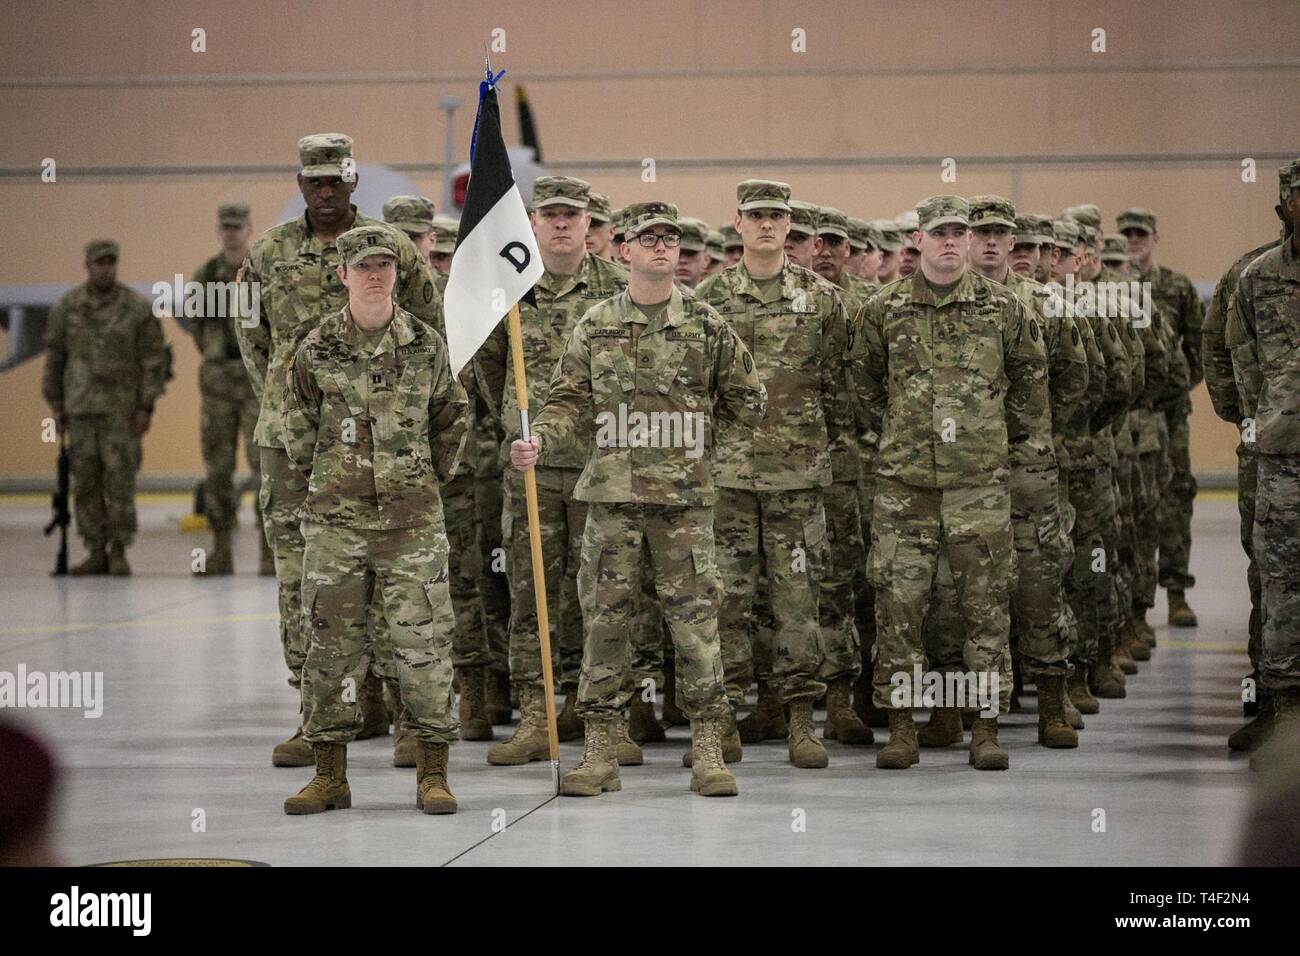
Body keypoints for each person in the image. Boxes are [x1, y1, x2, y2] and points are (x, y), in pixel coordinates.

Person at [512, 201, 767, 797]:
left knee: (696, 623)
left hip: (684, 504)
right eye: (646, 239)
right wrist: (537, 439)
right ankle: (600, 747)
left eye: (669, 240)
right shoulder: (596, 323)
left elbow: (748, 400)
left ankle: (708, 745)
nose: (659, 248)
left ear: (678, 253)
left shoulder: (705, 324)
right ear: (623, 249)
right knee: (605, 621)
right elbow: (565, 400)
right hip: (614, 499)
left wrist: (702, 455)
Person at [237, 133, 445, 767]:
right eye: (313, 181)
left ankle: (407, 715)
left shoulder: (390, 251)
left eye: (335, 180)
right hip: (295, 446)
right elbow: (253, 340)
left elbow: (427, 333)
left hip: (383, 445)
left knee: (394, 580)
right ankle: (319, 716)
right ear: (300, 184)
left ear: (354, 182)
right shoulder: (268, 253)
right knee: (305, 580)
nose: (324, 191)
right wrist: (286, 405)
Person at [281, 224, 469, 815]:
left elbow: (452, 417)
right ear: (342, 274)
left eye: (384, 264)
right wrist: (338, 479)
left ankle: (432, 771)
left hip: (412, 526)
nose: (374, 274)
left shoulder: (424, 344)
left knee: (424, 645)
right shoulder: (315, 348)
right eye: (363, 266)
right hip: (336, 525)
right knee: (330, 648)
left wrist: (419, 479)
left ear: (396, 272)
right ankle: (329, 774)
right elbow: (296, 428)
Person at [849, 195, 1041, 770]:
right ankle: (903, 727)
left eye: (961, 231)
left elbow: (1031, 387)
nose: (953, 241)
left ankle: (984, 728)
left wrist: (997, 445)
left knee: (983, 608)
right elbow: (864, 388)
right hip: (904, 484)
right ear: (919, 241)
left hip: (977, 484)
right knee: (899, 605)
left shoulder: (1003, 308)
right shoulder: (885, 310)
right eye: (942, 232)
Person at [695, 180, 851, 769]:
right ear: (737, 223)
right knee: (726, 600)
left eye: (776, 217)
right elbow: (697, 387)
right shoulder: (709, 299)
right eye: (756, 215)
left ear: (791, 228)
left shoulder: (822, 299)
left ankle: (800, 721)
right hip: (728, 480)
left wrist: (816, 451)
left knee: (796, 601)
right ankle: (725, 719)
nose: (766, 225)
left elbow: (844, 386)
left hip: (797, 480)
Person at [474, 175, 630, 763]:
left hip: (605, 471)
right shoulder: (510, 291)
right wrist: (523, 427)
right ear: (533, 223)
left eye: (574, 215)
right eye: (551, 214)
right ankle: (537, 717)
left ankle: (604, 721)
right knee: (530, 594)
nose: (562, 224)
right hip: (533, 470)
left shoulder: (619, 286)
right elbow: (488, 374)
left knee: (607, 597)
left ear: (591, 224)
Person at [1206, 159, 1296, 752]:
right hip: (1282, 457)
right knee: (1278, 582)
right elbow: (1230, 361)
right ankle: (1280, 708)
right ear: (1284, 205)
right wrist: (1261, 423)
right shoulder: (1256, 277)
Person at [42, 240, 168, 576]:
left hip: (120, 413)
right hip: (80, 411)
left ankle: (118, 549)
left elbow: (154, 360)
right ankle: (95, 548)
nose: (105, 268)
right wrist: (55, 404)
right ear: (87, 265)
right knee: (85, 483)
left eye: (111, 262)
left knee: (119, 482)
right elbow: (54, 359)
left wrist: (146, 406)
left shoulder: (136, 308)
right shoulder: (67, 308)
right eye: (99, 263)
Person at [1119, 207, 1204, 628]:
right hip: (1120, 416)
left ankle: (1176, 593)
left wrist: (1174, 387)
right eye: (1126, 235)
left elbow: (1200, 349)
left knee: (1174, 499)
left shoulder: (1176, 287)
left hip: (1169, 416)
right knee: (1128, 506)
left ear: (1155, 238)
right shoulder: (1106, 290)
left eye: (1140, 234)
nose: (1133, 241)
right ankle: (1132, 604)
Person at [189, 203, 271, 576]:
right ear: (219, 230)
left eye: (237, 226)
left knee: (265, 468)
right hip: (219, 384)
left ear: (248, 229)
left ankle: (269, 553)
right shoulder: (205, 275)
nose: (231, 233)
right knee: (217, 469)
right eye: (226, 227)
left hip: (255, 384)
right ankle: (221, 549)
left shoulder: (261, 272)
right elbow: (197, 328)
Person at [585, 192, 616, 260]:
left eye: (594, 225)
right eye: (583, 224)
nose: (586, 233)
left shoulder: (629, 271)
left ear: (611, 232)